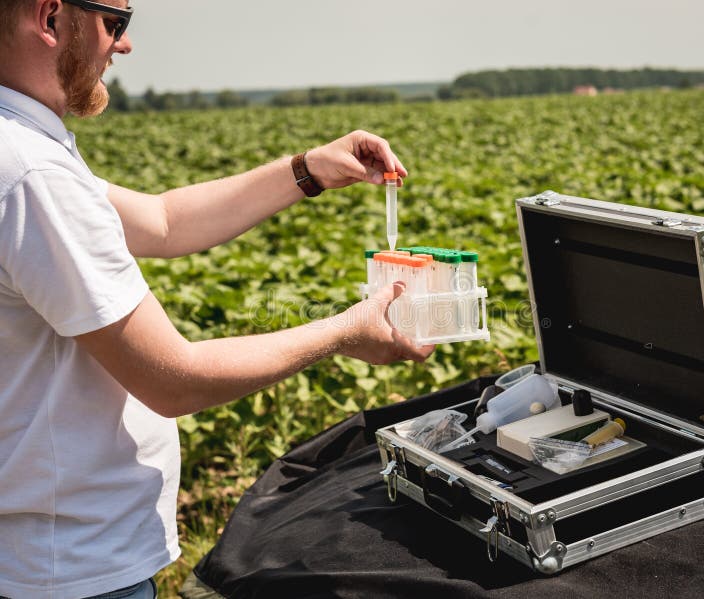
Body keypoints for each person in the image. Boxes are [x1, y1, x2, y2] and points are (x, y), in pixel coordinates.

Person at [0, 1, 435, 597]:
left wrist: (307, 170)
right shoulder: (32, 177)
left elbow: (162, 220)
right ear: (51, 19)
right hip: (68, 568)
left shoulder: (18, 147)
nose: (123, 47)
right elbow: (175, 379)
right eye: (116, 23)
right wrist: (345, 330)